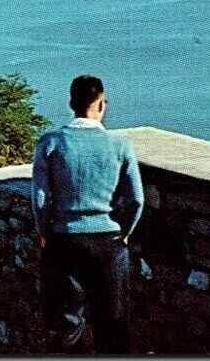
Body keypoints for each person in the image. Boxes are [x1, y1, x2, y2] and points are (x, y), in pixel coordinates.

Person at [32, 74, 143, 354]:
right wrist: (124, 232)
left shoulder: (50, 143)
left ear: (71, 104)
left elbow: (41, 198)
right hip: (108, 242)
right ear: (102, 104)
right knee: (113, 323)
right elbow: (136, 200)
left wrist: (45, 233)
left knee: (66, 324)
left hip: (64, 240)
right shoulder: (120, 146)